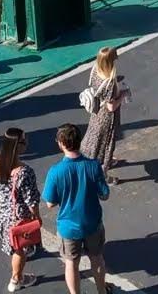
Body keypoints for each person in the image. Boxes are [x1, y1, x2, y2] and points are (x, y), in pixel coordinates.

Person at [42, 123, 111, 294]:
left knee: (71, 263)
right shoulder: (93, 166)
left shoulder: (55, 171)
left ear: (61, 143)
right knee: (97, 258)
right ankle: (101, 290)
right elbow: (104, 195)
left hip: (68, 227)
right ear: (79, 141)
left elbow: (50, 203)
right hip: (92, 223)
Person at [0, 127, 41, 292]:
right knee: (19, 250)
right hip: (20, 218)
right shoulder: (25, 172)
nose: (26, 143)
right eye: (23, 141)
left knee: (15, 245)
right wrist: (37, 217)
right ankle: (16, 278)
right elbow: (31, 199)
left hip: (6, 212)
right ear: (16, 146)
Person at [80, 47, 125, 184]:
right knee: (106, 145)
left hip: (96, 113)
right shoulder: (109, 82)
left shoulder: (95, 70)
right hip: (107, 118)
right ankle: (104, 175)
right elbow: (111, 106)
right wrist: (122, 95)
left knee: (93, 138)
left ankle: (95, 161)